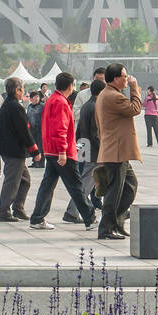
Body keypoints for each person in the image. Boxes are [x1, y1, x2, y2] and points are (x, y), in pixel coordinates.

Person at [28, 72, 95, 230]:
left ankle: (37, 218)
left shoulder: (52, 100)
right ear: (71, 86)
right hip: (61, 152)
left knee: (48, 185)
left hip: (51, 150)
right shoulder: (61, 102)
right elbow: (60, 129)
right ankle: (90, 218)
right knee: (76, 186)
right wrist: (63, 151)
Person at [95, 63, 142, 240]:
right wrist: (134, 88)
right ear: (115, 78)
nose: (127, 78)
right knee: (114, 192)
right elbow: (135, 109)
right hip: (116, 151)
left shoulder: (106, 94)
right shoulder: (113, 96)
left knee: (130, 187)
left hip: (117, 150)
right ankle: (106, 228)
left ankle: (117, 221)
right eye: (124, 76)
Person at [0, 77, 38, 220]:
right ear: (17, 90)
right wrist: (35, 150)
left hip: (9, 150)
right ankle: (4, 211)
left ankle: (18, 207)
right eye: (22, 88)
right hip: (14, 151)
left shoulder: (7, 105)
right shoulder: (16, 107)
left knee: (25, 180)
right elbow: (24, 131)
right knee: (12, 182)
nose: (23, 91)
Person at [62, 78, 104, 224]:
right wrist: (102, 149)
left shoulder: (86, 105)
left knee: (86, 183)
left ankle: (73, 212)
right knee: (85, 184)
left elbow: (79, 129)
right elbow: (95, 133)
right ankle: (71, 212)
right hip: (94, 151)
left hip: (85, 147)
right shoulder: (95, 107)